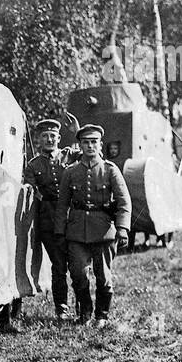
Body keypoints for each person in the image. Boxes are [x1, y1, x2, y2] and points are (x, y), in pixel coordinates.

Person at [54, 124, 131, 327]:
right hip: (77, 231)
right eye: (86, 142)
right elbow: (62, 205)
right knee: (78, 273)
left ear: (100, 145)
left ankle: (102, 315)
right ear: (80, 145)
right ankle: (85, 312)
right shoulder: (71, 172)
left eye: (93, 142)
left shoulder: (110, 170)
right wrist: (60, 232)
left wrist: (122, 228)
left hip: (104, 231)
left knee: (103, 276)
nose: (90, 146)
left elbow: (124, 201)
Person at [23, 116, 80, 320]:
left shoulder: (69, 155)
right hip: (48, 219)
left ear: (59, 138)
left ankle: (82, 306)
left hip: (73, 216)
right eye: (45, 136)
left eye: (53, 136)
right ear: (39, 139)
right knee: (58, 265)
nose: (49, 140)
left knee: (78, 264)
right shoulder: (33, 164)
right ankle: (62, 308)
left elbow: (94, 155)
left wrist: (77, 132)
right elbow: (29, 190)